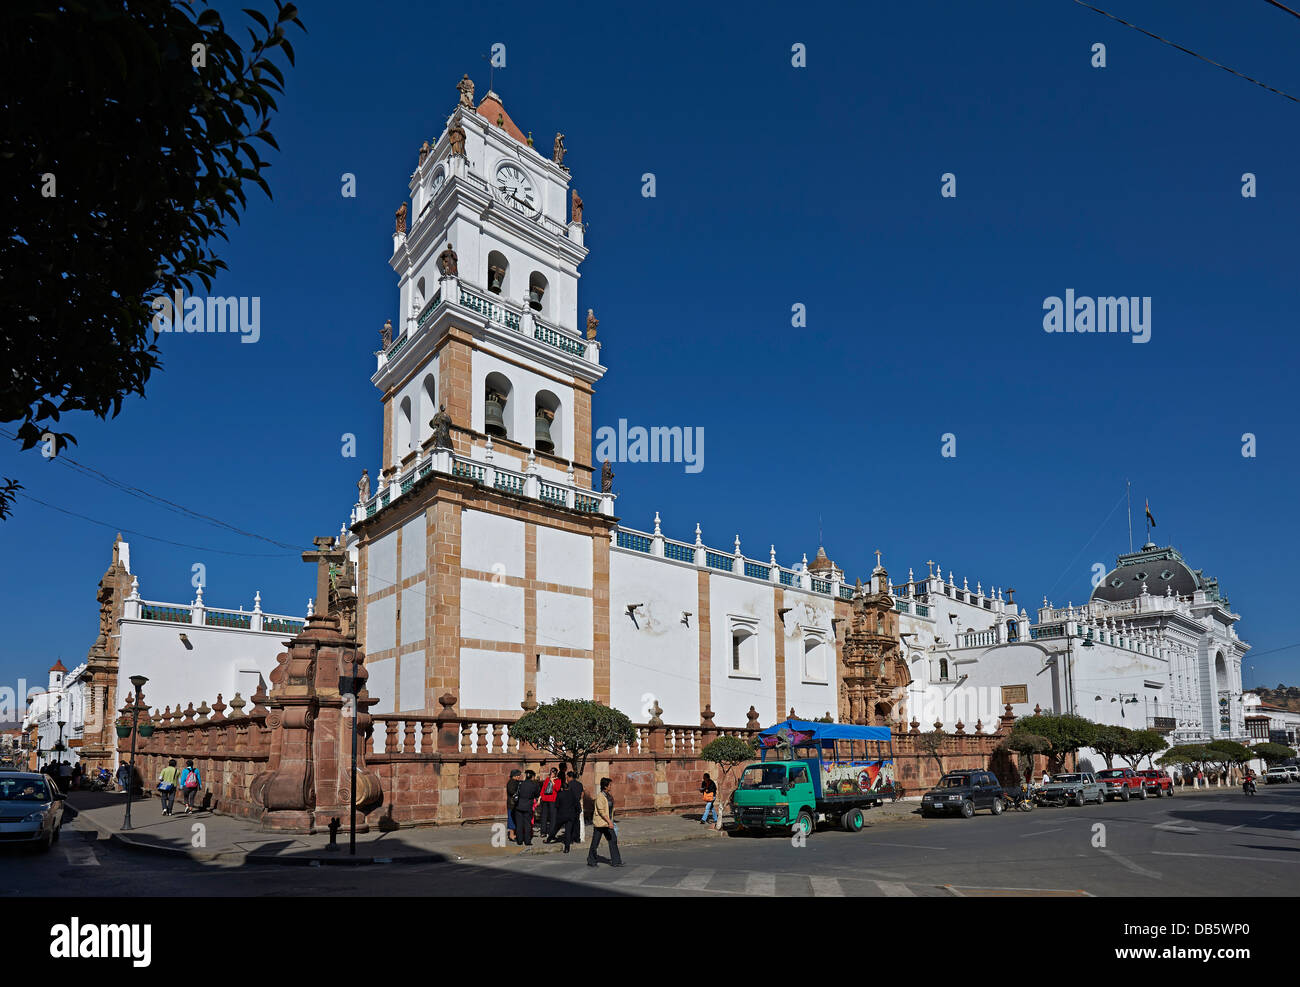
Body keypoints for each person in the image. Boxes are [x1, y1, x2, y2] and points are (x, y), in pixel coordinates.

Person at [587, 777, 622, 868]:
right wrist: (609, 822)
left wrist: (611, 820)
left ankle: (616, 861)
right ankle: (591, 860)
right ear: (605, 786)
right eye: (609, 785)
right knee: (595, 842)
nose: (611, 786)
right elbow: (601, 811)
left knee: (613, 840)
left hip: (608, 822)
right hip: (601, 823)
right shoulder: (600, 797)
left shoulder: (608, 795)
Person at [552, 771, 581, 852]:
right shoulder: (579, 784)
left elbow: (557, 804)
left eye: (567, 777)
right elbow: (582, 794)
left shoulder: (569, 787)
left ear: (569, 777)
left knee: (567, 828)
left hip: (567, 809)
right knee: (576, 823)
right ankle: (577, 838)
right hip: (576, 807)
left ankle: (569, 840)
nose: (566, 779)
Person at [513, 770, 541, 847]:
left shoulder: (520, 783)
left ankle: (519, 840)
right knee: (527, 824)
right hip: (528, 806)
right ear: (532, 776)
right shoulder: (534, 785)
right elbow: (537, 794)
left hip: (519, 805)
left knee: (519, 824)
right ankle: (527, 841)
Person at [539, 767, 562, 843]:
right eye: (551, 772)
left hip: (553, 800)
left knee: (553, 817)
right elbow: (543, 789)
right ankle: (543, 832)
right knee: (544, 816)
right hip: (545, 799)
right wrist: (541, 797)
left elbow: (557, 789)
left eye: (553, 772)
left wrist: (553, 782)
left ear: (555, 773)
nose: (552, 774)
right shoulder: (547, 779)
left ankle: (551, 833)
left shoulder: (558, 780)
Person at [505, 769, 522, 843]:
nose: (519, 777)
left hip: (514, 804)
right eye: (518, 775)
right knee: (511, 820)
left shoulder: (515, 782)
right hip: (512, 804)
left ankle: (514, 834)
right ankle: (511, 835)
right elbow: (512, 792)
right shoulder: (511, 782)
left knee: (514, 820)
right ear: (514, 776)